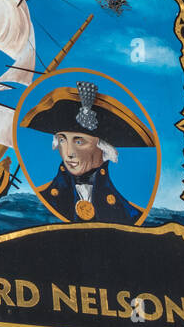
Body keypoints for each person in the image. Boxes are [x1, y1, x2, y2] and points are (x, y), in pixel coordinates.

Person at [21, 80, 155, 224]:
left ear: (104, 148)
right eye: (62, 140)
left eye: (79, 142)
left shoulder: (131, 215)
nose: (68, 153)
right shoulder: (35, 204)